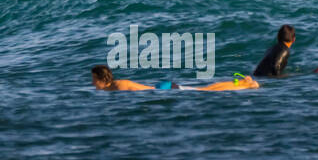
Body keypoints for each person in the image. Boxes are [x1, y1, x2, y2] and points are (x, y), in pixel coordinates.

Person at [90, 65, 259, 92]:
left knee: (206, 91)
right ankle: (243, 83)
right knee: (205, 89)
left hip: (164, 90)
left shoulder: (117, 86)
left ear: (100, 78)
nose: (92, 83)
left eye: (93, 79)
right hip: (162, 88)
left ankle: (245, 84)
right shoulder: (114, 86)